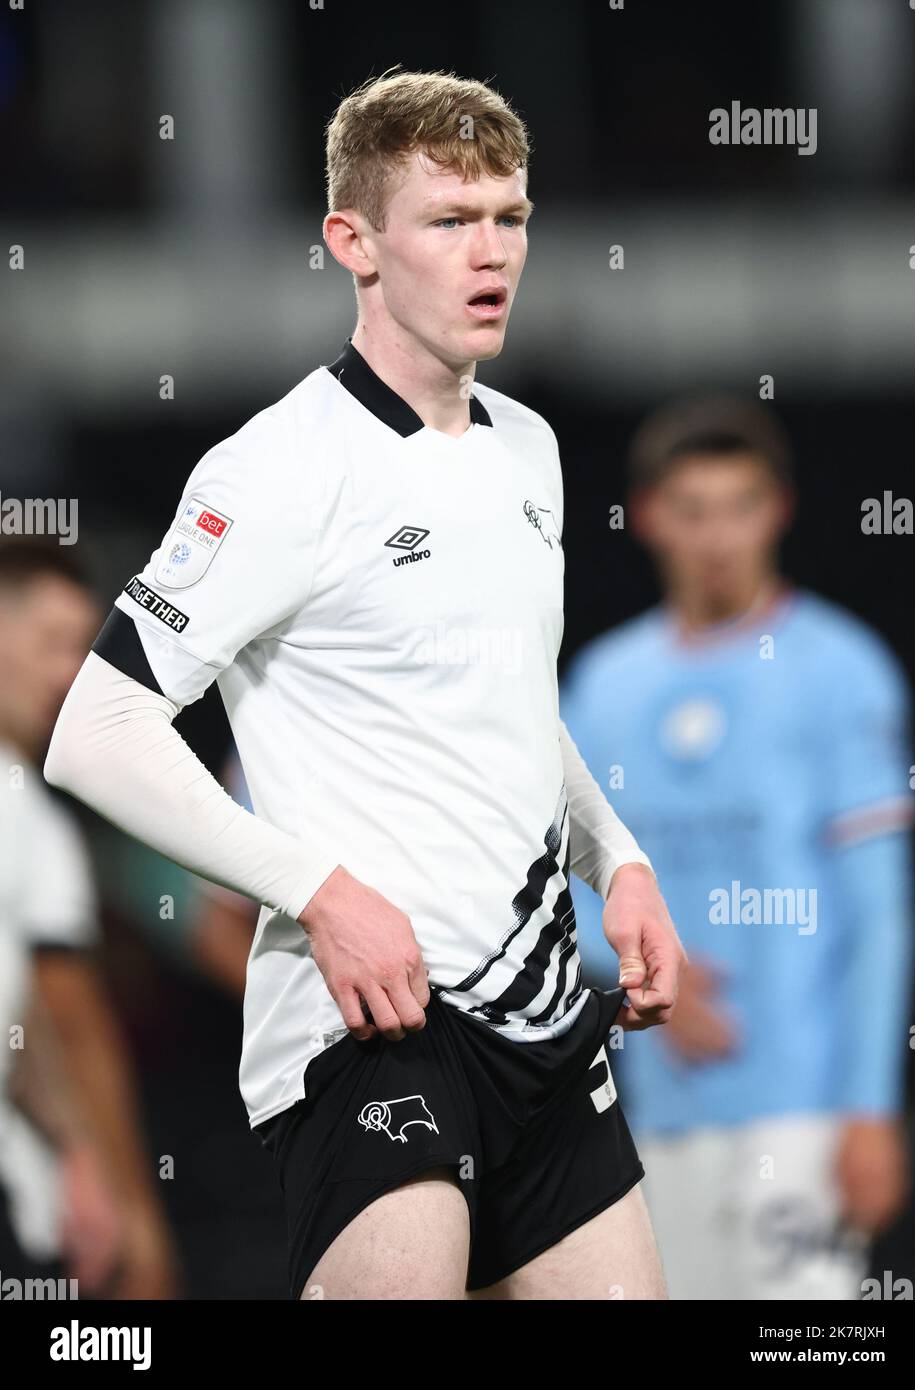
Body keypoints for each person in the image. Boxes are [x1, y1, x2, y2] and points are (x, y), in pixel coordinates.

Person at [44, 67, 686, 1301]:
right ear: (354, 243)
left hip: (543, 1010)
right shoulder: (280, 468)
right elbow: (97, 727)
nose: (490, 251)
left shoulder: (531, 449)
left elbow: (504, 704)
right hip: (373, 1028)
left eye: (509, 218)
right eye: (449, 222)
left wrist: (621, 860)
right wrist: (319, 891)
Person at [561, 395, 915, 1299]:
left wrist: (871, 1111)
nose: (717, 536)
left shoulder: (841, 669)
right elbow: (558, 897)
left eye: (739, 505)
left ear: (778, 510)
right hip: (648, 1114)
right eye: (692, 510)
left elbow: (879, 918)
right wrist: (642, 975)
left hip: (803, 1108)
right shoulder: (602, 684)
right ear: (646, 517)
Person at [0, 540, 179, 1297]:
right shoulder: (25, 812)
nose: (69, 674)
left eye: (82, 651)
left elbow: (34, 1010)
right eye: (50, 644)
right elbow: (74, 1022)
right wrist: (137, 1214)